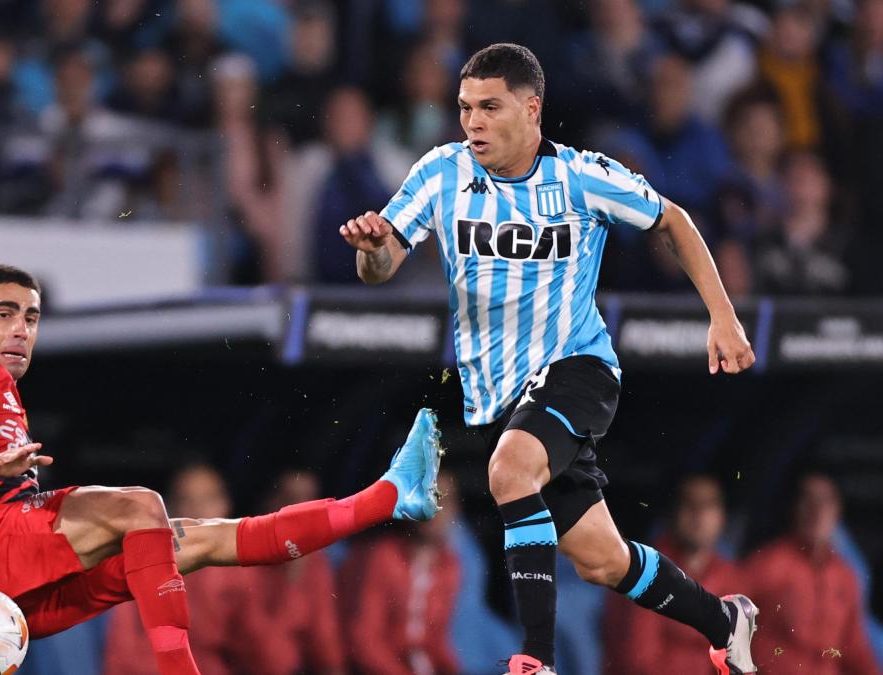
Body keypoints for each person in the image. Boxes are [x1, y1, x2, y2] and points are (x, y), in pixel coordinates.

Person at [340, 44, 758, 674]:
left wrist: (722, 317)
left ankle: (536, 659)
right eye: (464, 108)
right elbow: (380, 267)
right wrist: (372, 249)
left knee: (508, 473)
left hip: (578, 370)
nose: (472, 122)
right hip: (500, 398)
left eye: (489, 107)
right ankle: (725, 621)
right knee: (600, 559)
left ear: (532, 109)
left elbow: (673, 221)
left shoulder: (580, 176)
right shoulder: (438, 173)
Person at [0, 264, 445, 675]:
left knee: (199, 541)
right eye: (5, 314)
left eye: (30, 317)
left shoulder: (2, 402)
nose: (21, 330)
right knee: (140, 503)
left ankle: (388, 497)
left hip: (14, 591)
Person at [104, 466, 345, 674]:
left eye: (207, 499)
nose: (197, 510)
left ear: (224, 504)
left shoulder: (246, 573)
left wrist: (291, 582)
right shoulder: (139, 569)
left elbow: (273, 661)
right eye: (186, 500)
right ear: (169, 510)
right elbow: (120, 660)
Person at [741, 472, 881, 674]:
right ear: (794, 508)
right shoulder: (766, 566)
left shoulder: (846, 576)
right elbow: (726, 631)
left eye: (826, 501)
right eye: (809, 500)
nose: (818, 510)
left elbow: (855, 648)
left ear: (837, 510)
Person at [601, 475, 744, 674]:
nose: (699, 514)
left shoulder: (732, 576)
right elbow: (639, 661)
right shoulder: (646, 570)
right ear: (673, 513)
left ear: (723, 516)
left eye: (708, 504)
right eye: (689, 503)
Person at [341, 475, 460, 674]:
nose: (434, 508)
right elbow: (364, 638)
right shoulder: (384, 557)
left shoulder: (450, 565)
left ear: (455, 510)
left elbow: (436, 639)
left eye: (444, 500)